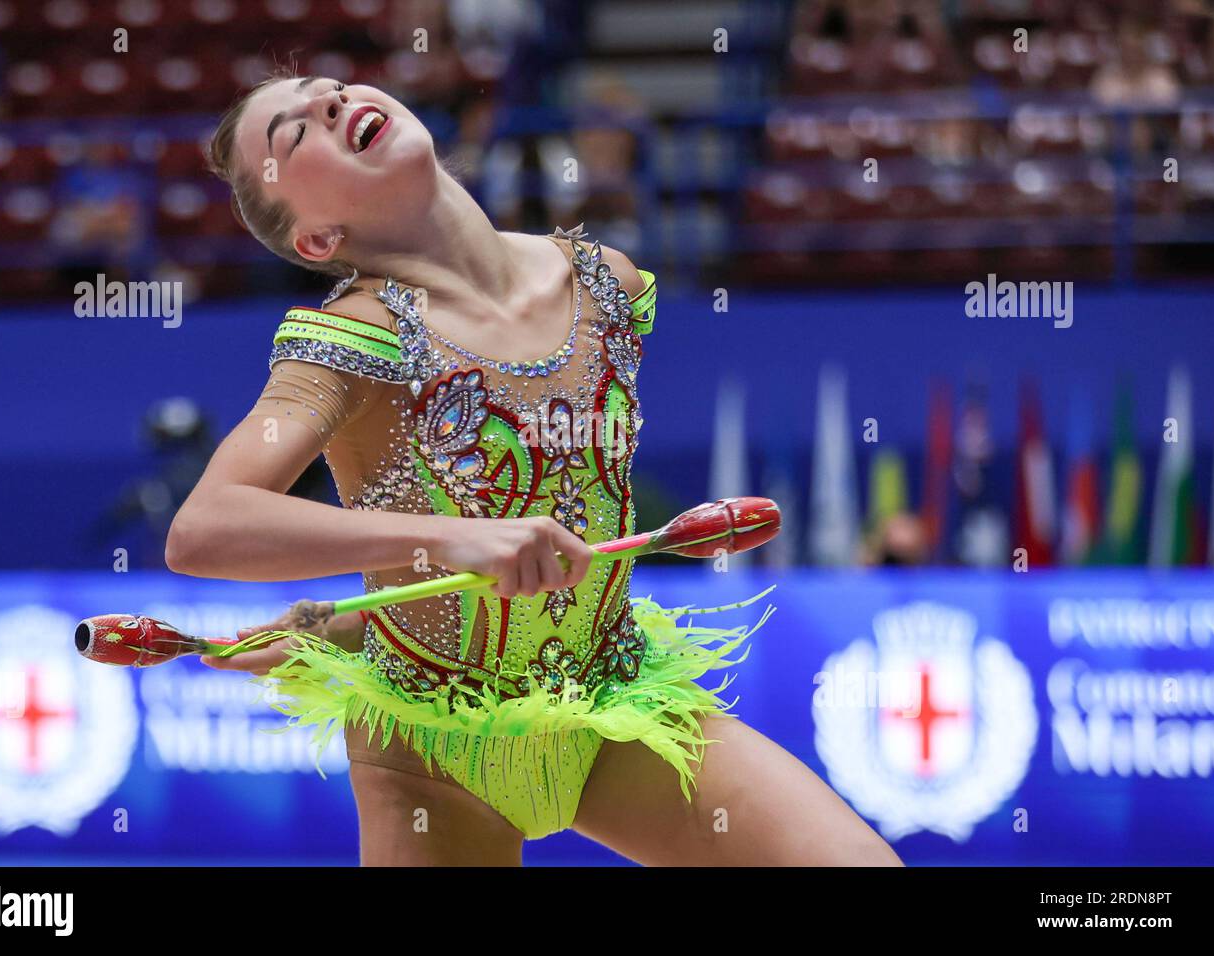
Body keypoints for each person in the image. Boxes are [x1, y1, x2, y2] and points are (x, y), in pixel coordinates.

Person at [167, 69, 902, 867]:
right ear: (316, 240)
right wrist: (449, 540)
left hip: (614, 706)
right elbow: (206, 527)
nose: (331, 103)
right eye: (296, 132)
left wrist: (348, 618)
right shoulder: (351, 341)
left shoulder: (607, 285)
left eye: (330, 87)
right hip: (431, 753)